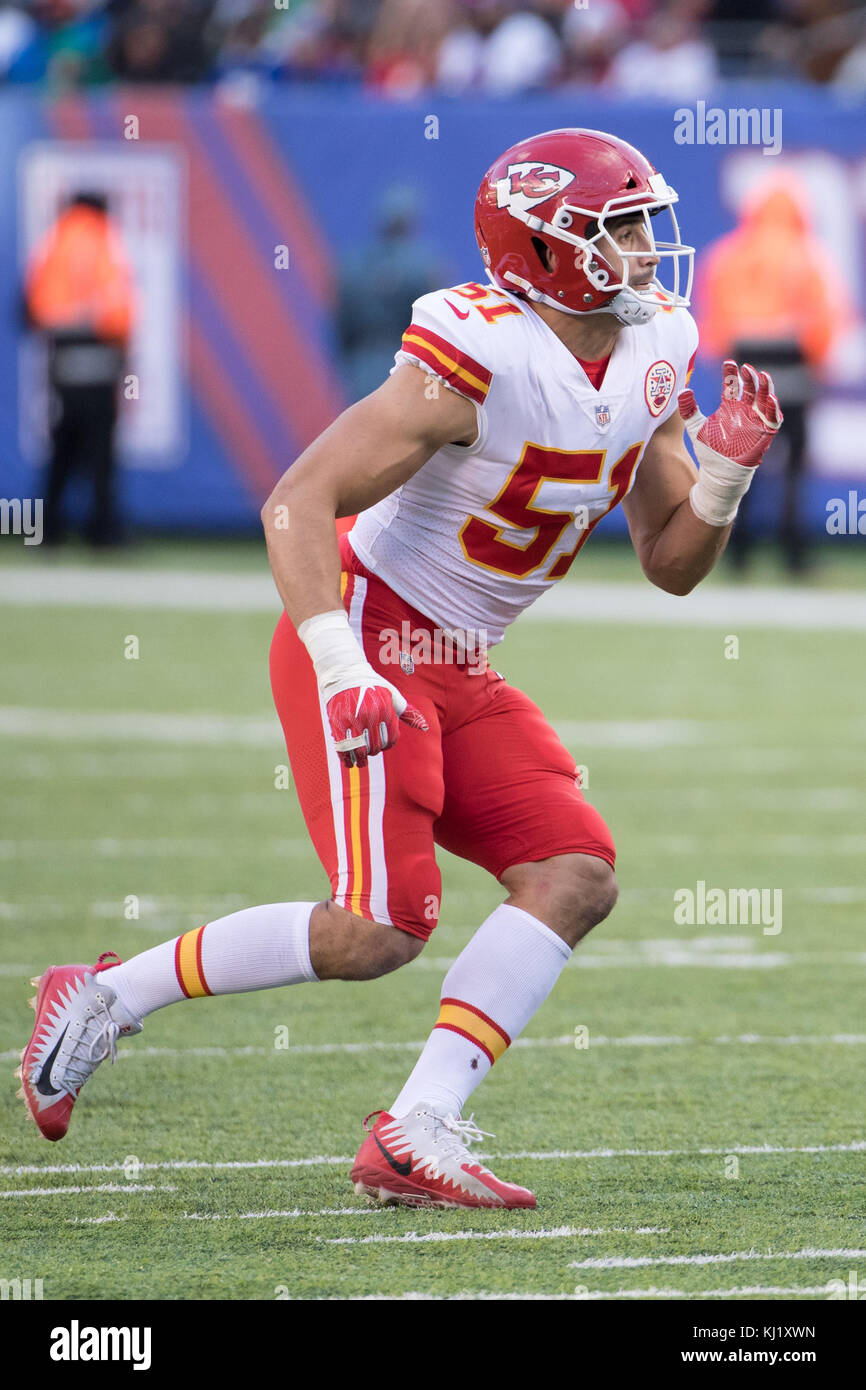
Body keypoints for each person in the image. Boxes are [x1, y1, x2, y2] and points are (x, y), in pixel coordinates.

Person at [18, 129, 781, 1209]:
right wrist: (339, 663)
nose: (646, 251)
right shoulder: (473, 355)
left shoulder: (656, 340)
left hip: (455, 659)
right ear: (545, 251)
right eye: (615, 229)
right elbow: (295, 501)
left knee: (573, 870)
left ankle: (416, 1125)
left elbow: (669, 566)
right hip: (369, 633)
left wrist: (721, 481)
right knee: (380, 927)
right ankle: (102, 995)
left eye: (643, 225)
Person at [698, 175, 850, 573]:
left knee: (738, 467)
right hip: (795, 376)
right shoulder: (807, 257)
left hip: (745, 375)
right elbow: (824, 323)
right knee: (794, 470)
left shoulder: (727, 255)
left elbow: (714, 326)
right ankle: (794, 556)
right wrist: (818, 365)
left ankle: (735, 554)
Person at [24, 189, 135, 547]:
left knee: (62, 449)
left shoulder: (55, 243)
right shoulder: (104, 241)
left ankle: (46, 529)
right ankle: (102, 530)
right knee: (101, 453)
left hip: (62, 365)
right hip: (100, 365)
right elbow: (118, 310)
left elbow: (30, 309)